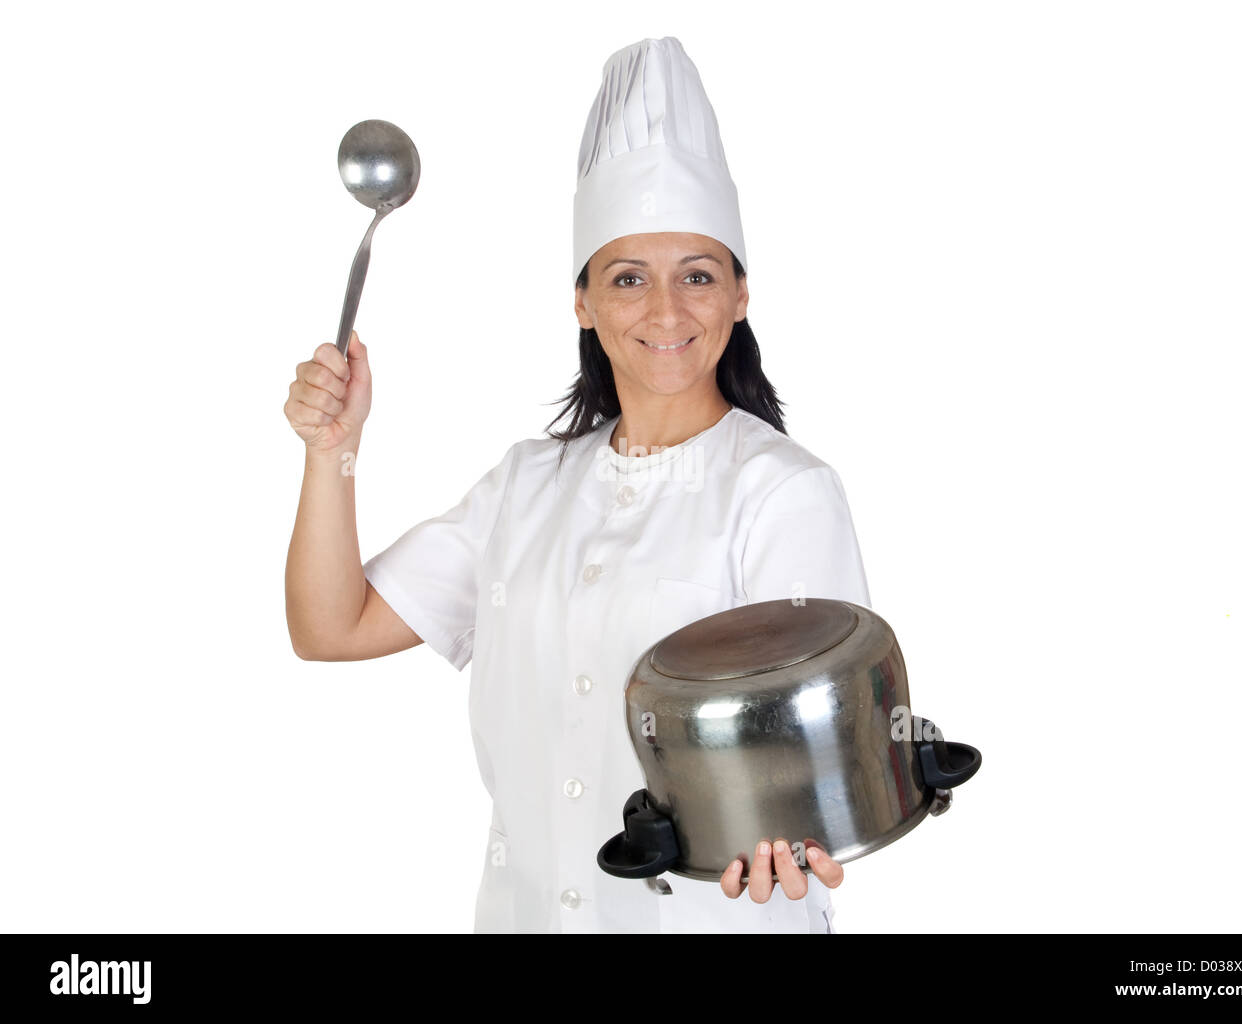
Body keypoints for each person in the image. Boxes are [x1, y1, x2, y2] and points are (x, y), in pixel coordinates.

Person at [284, 36, 873, 933]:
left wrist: (794, 833)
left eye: (698, 276)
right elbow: (332, 627)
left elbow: (818, 751)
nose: (666, 312)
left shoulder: (782, 492)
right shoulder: (525, 487)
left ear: (741, 295)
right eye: (629, 278)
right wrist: (333, 451)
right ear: (583, 301)